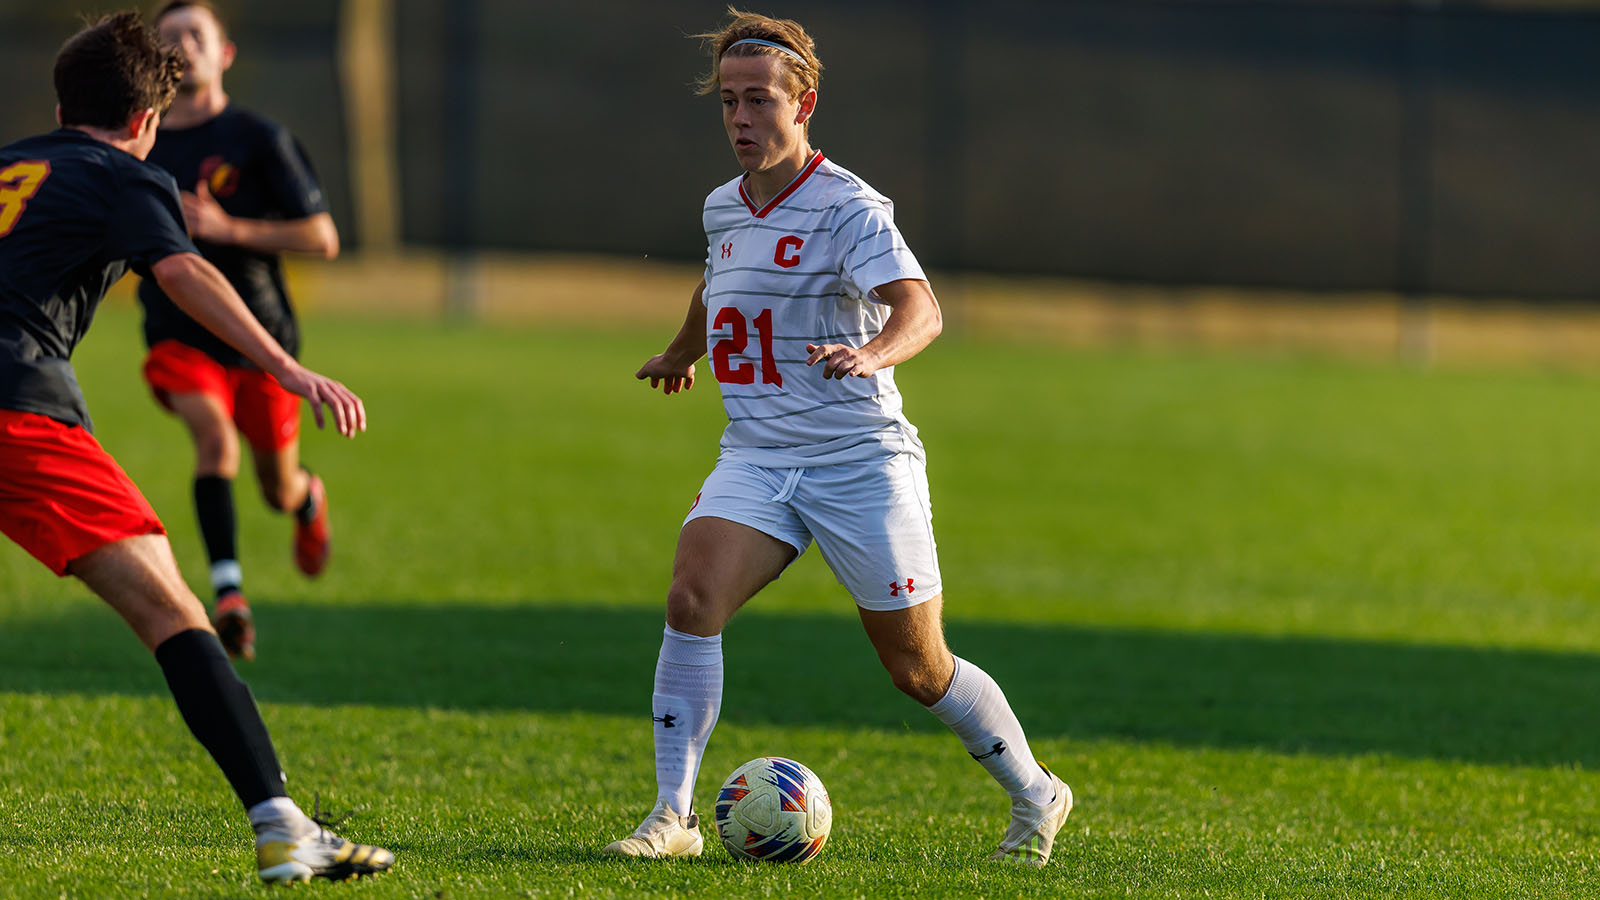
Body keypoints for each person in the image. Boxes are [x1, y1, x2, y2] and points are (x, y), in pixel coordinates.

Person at [607, 8, 1073, 868]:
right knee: (689, 601)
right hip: (756, 455)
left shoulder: (848, 206)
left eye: (760, 102)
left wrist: (873, 352)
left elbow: (921, 309)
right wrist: (683, 352)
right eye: (729, 103)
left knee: (917, 670)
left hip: (860, 462)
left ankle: (1037, 791)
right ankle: (673, 816)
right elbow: (719, 285)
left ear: (805, 102)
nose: (741, 120)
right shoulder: (723, 206)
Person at [0, 11, 392, 883]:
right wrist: (288, 366)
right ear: (147, 123)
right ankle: (282, 825)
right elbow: (183, 271)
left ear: (64, 98)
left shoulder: (12, 163)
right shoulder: (125, 174)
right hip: (18, 413)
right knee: (171, 612)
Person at [134, 0, 342, 662]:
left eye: (197, 34)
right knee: (212, 436)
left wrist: (229, 230)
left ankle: (307, 499)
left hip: (262, 339)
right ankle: (229, 596)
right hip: (177, 331)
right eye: (170, 39)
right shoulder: (143, 141)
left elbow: (323, 236)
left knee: (275, 488)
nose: (185, 45)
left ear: (224, 53)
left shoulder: (259, 138)